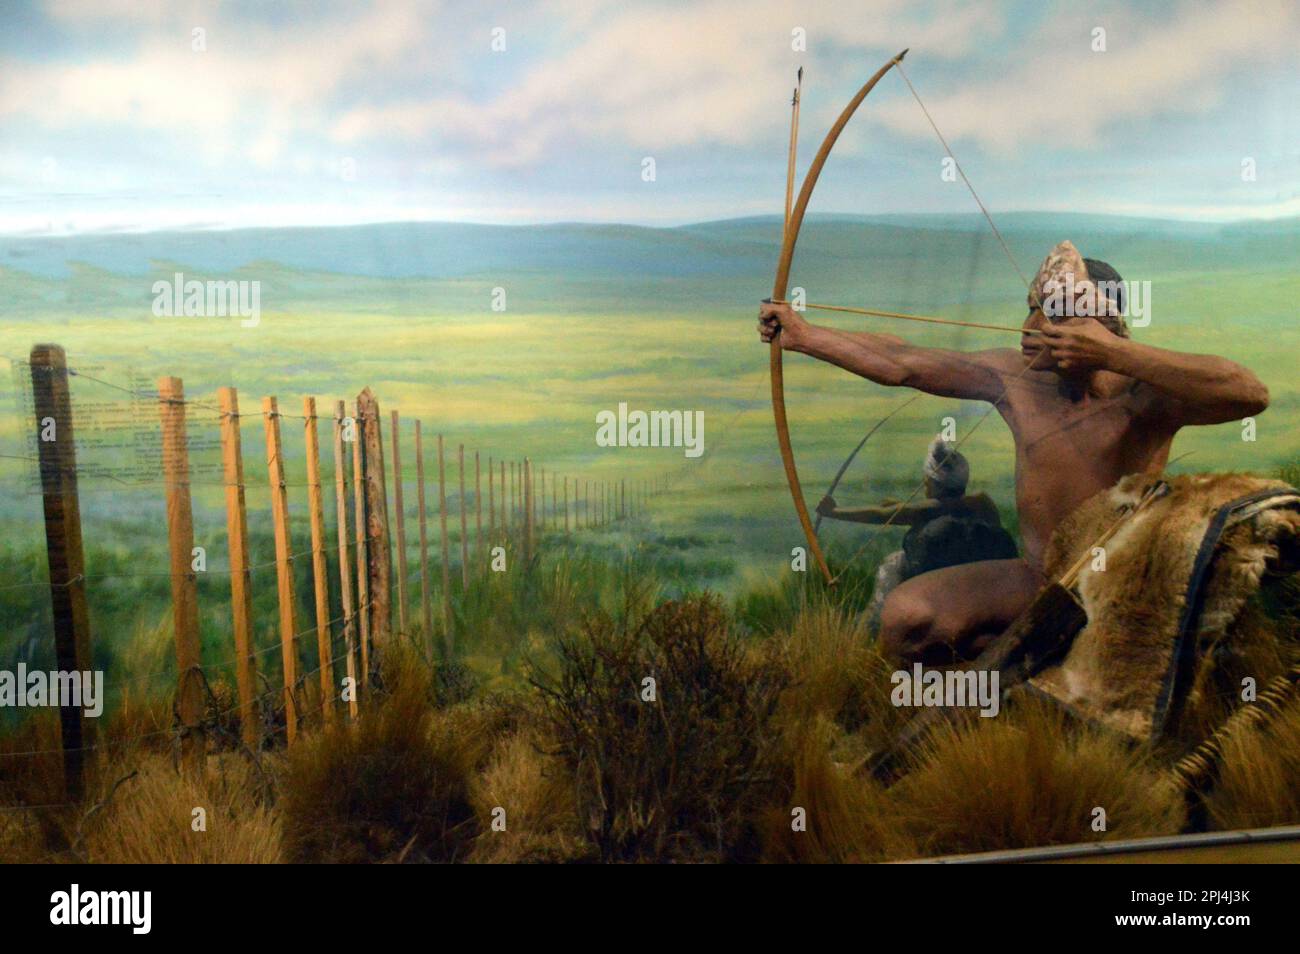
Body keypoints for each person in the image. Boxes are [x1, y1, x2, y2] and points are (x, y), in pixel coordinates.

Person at [758, 240, 1269, 663]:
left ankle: (1021, 659)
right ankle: (995, 674)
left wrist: (1114, 353)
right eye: (1029, 310)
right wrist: (804, 336)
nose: (1027, 328)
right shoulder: (1016, 378)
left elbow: (1248, 392)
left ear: (1093, 325)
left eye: (1047, 315)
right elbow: (905, 362)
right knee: (906, 618)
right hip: (1038, 577)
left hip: (1120, 585)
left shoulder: (1145, 394)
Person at [816, 436, 1018, 634]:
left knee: (893, 563)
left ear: (933, 481)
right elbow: (939, 509)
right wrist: (902, 507)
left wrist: (832, 512)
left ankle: (875, 623)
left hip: (942, 590)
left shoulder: (929, 510)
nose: (925, 484)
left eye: (928, 480)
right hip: (983, 589)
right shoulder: (984, 503)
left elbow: (882, 515)